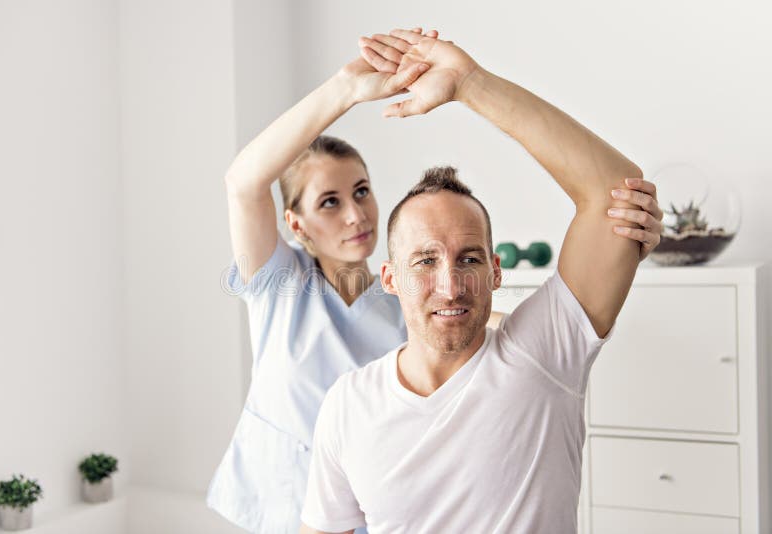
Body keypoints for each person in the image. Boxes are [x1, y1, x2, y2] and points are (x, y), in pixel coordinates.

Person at [206, 29, 664, 534]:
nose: (355, 215)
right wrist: (345, 90)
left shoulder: (507, 347)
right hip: (282, 503)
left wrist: (469, 83)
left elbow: (479, 324)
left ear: (494, 271)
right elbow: (242, 184)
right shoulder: (284, 294)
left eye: (362, 192)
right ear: (395, 274)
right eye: (424, 261)